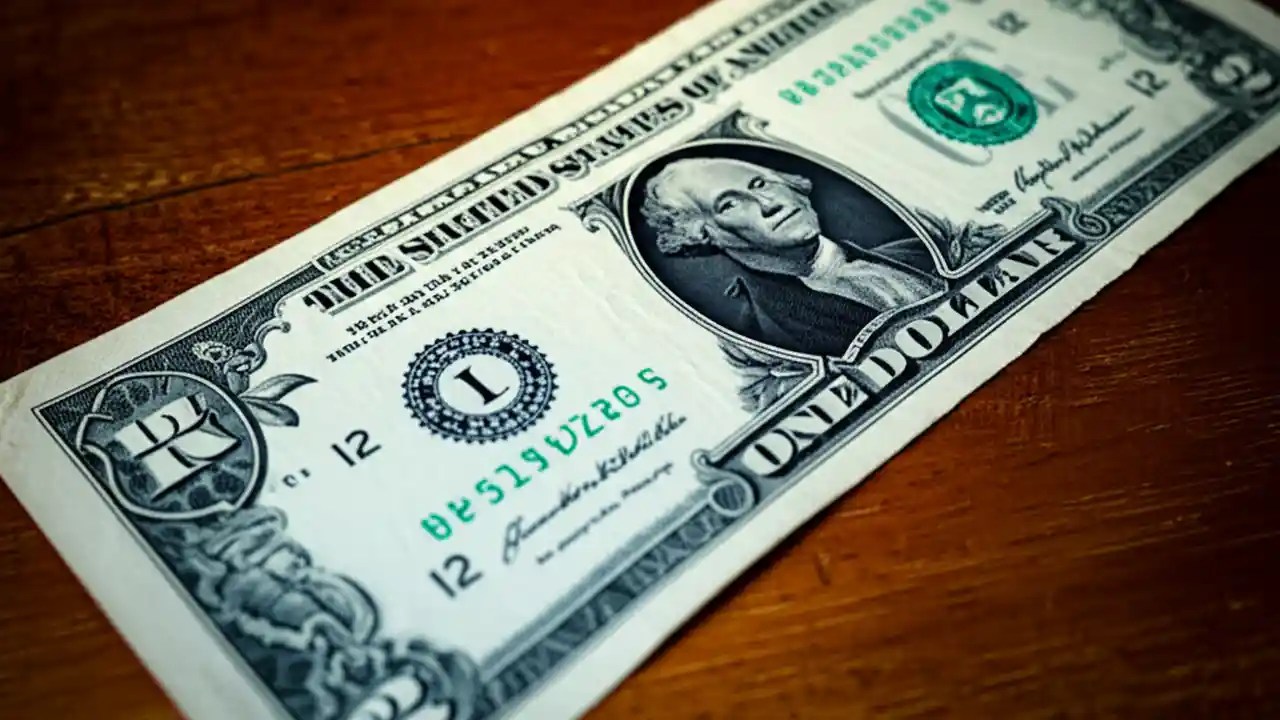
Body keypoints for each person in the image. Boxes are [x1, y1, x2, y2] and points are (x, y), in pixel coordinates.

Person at [641, 157, 945, 355]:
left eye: (760, 183)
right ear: (701, 234)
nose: (767, 203)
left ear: (792, 185)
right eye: (730, 204)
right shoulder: (766, 339)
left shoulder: (921, 251)